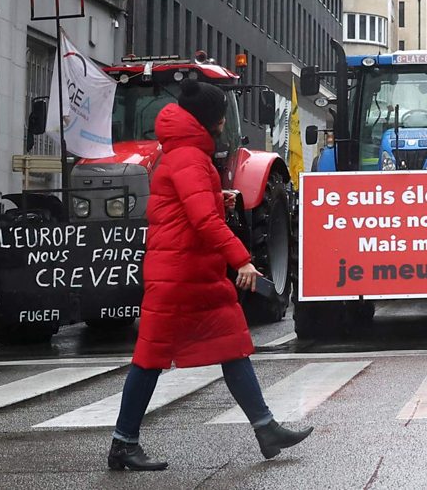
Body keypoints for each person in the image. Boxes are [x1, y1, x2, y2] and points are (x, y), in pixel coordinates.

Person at [107, 79, 313, 471]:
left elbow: (188, 206)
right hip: (181, 274)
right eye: (220, 115)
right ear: (210, 120)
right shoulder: (190, 157)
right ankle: (123, 443)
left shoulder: (185, 154)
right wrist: (242, 260)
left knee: (230, 343)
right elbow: (200, 219)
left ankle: (265, 428)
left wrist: (218, 198)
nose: (222, 122)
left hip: (190, 271)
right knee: (151, 357)